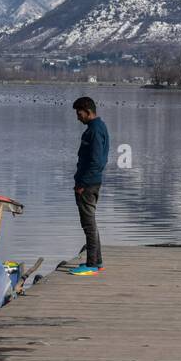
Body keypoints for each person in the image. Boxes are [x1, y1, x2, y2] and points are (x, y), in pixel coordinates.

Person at [68, 96, 109, 275]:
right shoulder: (96, 128)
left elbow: (96, 160)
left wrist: (83, 184)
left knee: (88, 224)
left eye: (79, 113)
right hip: (90, 182)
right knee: (90, 223)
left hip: (88, 184)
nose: (78, 117)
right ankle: (96, 261)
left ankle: (92, 264)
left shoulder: (95, 130)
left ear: (88, 111)